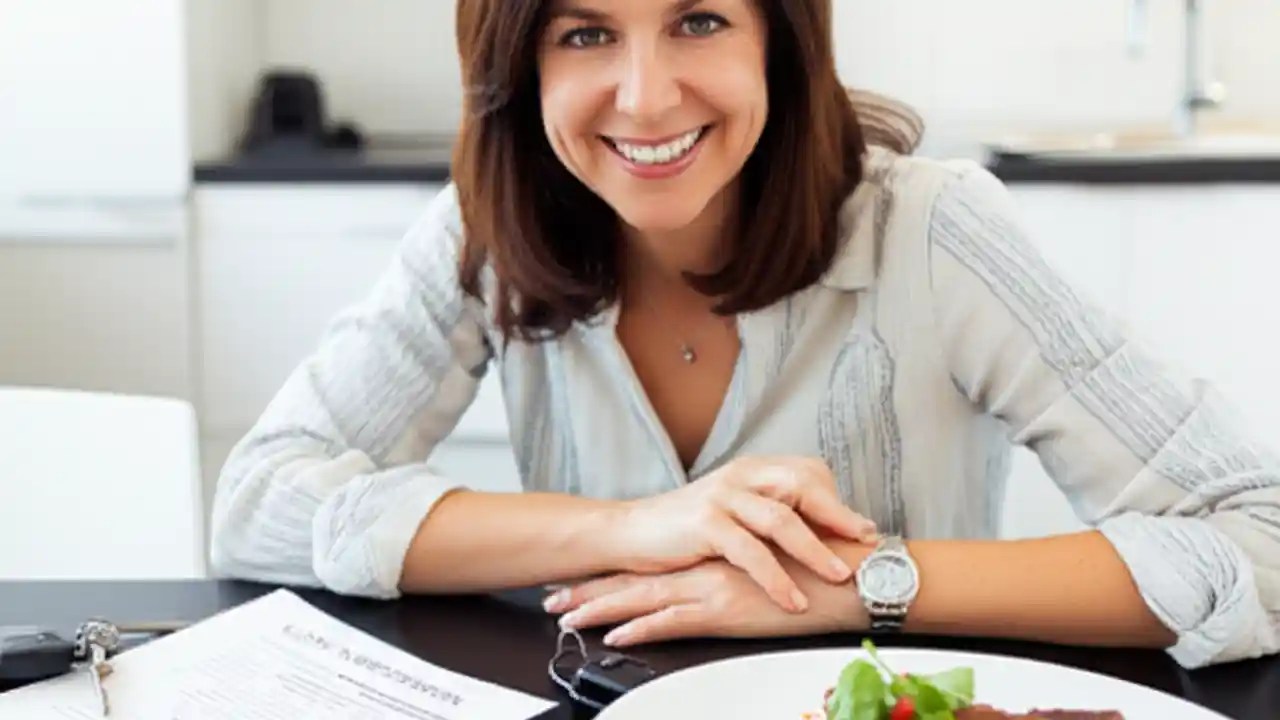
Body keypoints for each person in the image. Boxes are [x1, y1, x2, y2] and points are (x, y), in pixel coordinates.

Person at [209, 0, 1280, 669]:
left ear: (778, 36)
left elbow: (1256, 541)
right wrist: (633, 527)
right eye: (584, 33)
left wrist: (854, 587)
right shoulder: (487, 226)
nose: (643, 95)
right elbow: (259, 503)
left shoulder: (930, 228)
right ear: (521, 66)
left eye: (698, 20)